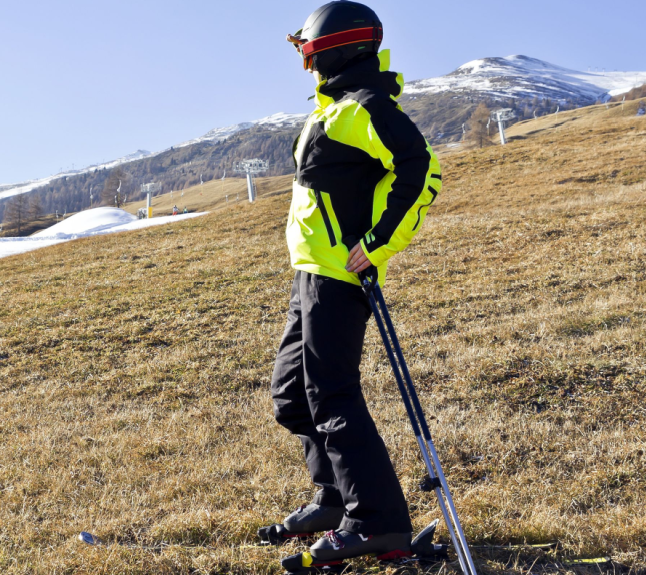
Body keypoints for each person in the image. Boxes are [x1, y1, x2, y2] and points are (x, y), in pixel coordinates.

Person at [270, 1, 441, 568]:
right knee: (292, 395)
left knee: (332, 395)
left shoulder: (367, 106)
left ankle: (375, 522)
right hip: (309, 273)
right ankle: (335, 499)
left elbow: (422, 169)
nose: (307, 66)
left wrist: (378, 241)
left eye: (310, 56)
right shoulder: (335, 109)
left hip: (340, 275)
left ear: (336, 51)